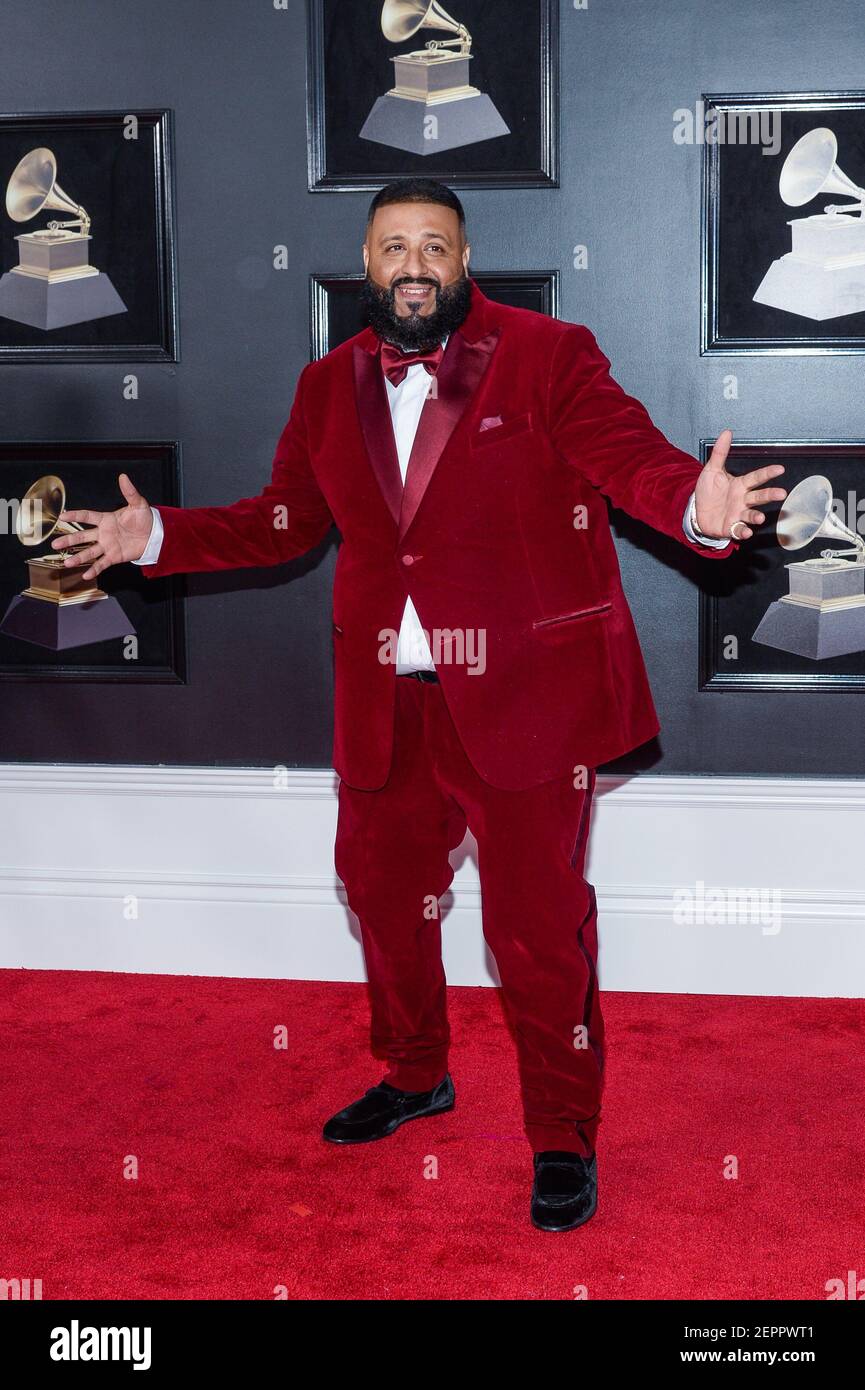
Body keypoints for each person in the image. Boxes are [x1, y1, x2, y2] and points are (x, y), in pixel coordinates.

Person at [51, 178, 786, 1232]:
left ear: (464, 256)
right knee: (383, 899)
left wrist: (693, 507)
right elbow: (279, 525)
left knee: (537, 932)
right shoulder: (325, 386)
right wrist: (154, 537)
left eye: (432, 245)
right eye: (393, 245)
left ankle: (561, 1134)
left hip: (525, 706)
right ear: (365, 260)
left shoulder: (548, 352)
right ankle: (414, 1073)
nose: (413, 264)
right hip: (386, 705)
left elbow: (625, 457)